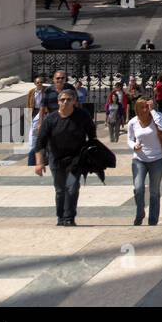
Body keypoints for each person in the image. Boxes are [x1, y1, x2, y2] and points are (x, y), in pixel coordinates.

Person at [33, 88, 96, 226]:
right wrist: (39, 163)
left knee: (72, 188)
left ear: (74, 101)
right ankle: (60, 217)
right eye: (62, 100)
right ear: (58, 102)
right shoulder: (50, 119)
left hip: (75, 159)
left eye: (69, 99)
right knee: (60, 190)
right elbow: (40, 143)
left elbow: (92, 137)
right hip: (56, 160)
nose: (65, 102)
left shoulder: (82, 116)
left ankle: (69, 217)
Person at [126, 98, 162, 226]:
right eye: (142, 108)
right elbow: (129, 139)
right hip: (139, 160)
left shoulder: (156, 117)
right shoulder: (133, 122)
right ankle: (140, 213)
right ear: (137, 109)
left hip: (157, 160)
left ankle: (153, 220)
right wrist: (134, 146)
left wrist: (153, 111)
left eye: (146, 107)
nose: (145, 110)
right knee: (138, 188)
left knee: (154, 191)